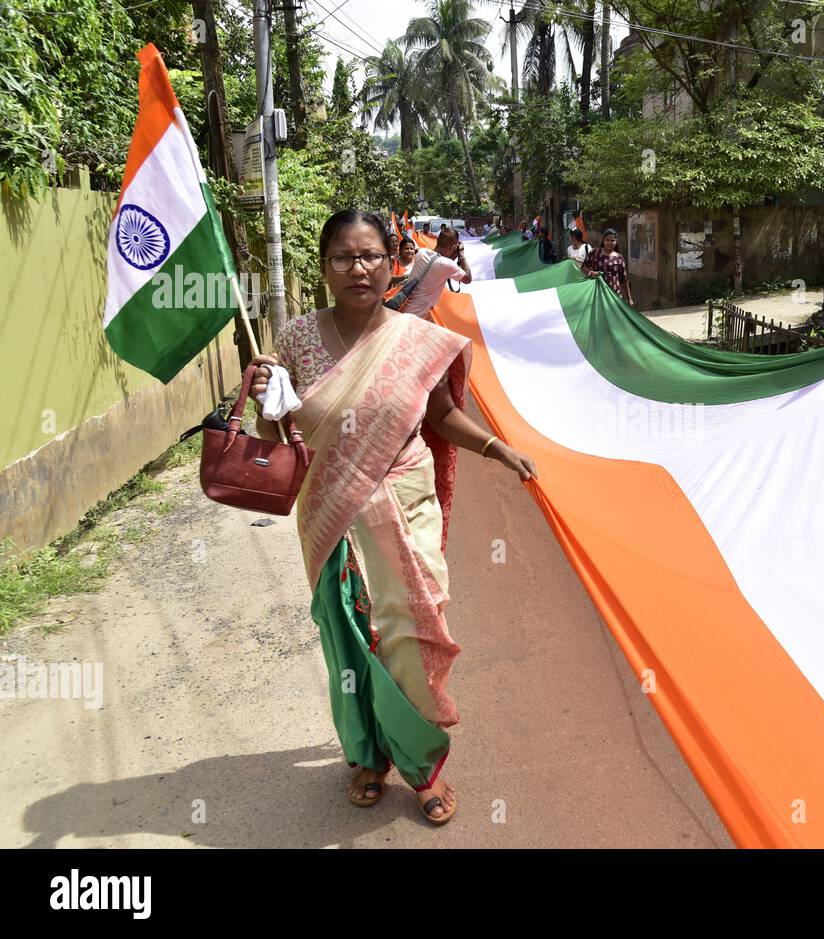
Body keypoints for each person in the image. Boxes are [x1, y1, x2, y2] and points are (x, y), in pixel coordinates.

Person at [247, 209, 537, 827]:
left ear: (391, 261)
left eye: (372, 256)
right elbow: (278, 431)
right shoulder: (296, 339)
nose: (359, 268)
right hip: (330, 510)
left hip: (405, 502)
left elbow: (441, 416)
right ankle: (368, 757)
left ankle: (423, 764)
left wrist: (497, 447)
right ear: (324, 267)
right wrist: (266, 395)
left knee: (412, 628)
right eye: (345, 258)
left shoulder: (415, 337)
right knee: (349, 634)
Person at [402, 228, 472, 317]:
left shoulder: (421, 253)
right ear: (453, 247)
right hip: (417, 317)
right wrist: (461, 255)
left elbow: (436, 264)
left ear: (437, 240)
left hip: (403, 309)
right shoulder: (446, 264)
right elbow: (468, 279)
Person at [582, 228, 633, 306]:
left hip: (615, 295)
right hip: (597, 295)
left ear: (616, 241)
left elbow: (624, 279)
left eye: (612, 240)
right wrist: (590, 272)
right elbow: (583, 267)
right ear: (603, 240)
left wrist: (629, 299)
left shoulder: (619, 258)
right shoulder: (595, 252)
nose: (609, 242)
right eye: (607, 240)